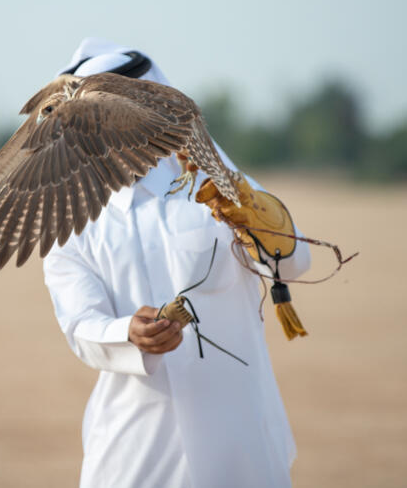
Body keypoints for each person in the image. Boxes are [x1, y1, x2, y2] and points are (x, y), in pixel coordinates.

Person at [43, 38, 312, 488]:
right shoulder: (68, 216)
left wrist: (254, 222)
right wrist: (126, 333)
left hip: (241, 440)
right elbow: (79, 324)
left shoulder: (214, 179)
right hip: (136, 451)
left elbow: (294, 262)